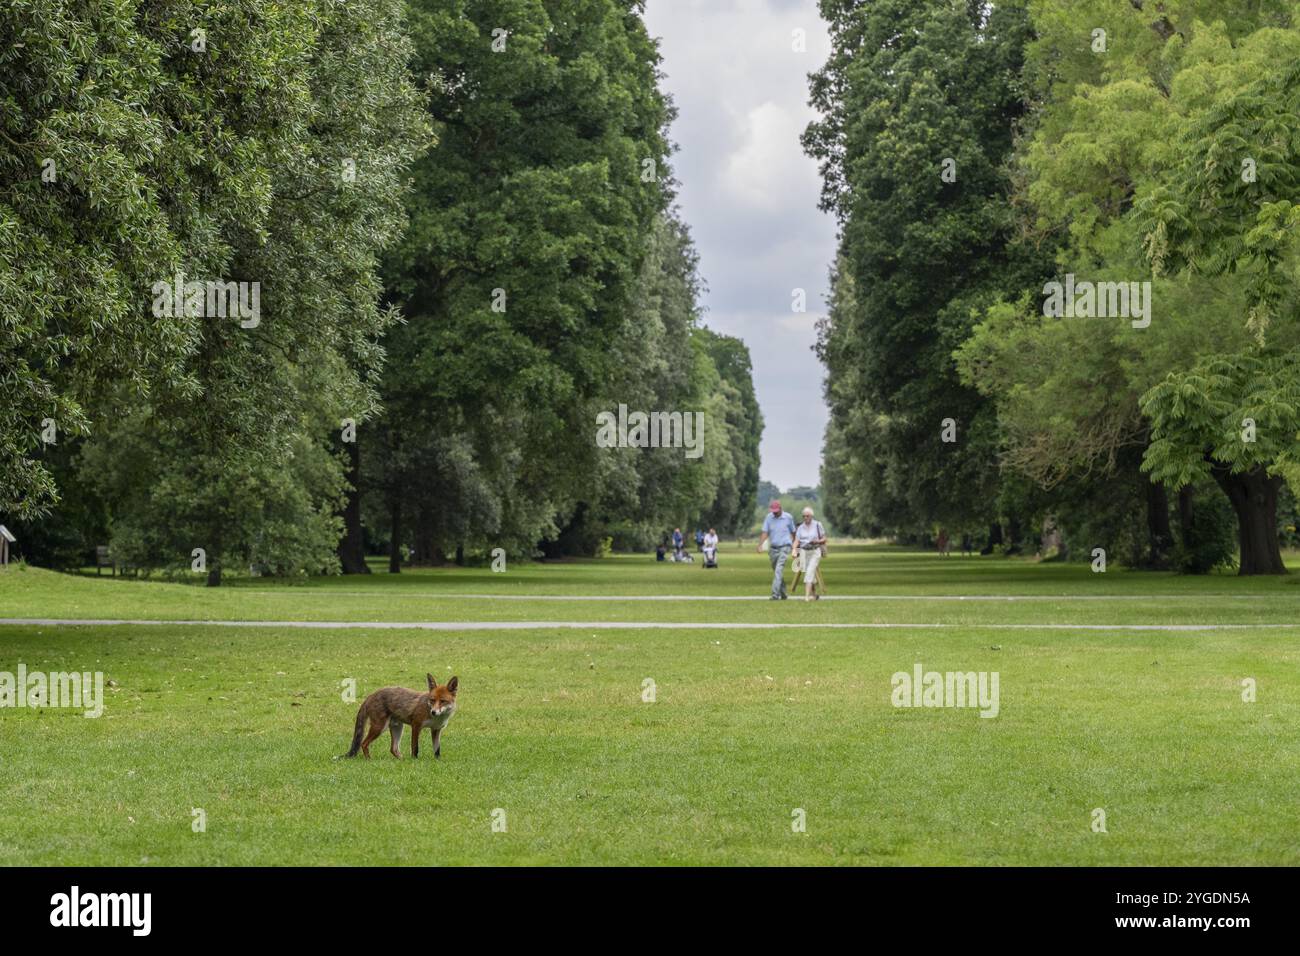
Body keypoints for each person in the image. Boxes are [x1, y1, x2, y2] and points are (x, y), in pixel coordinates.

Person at [757, 499, 796, 600]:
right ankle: (783, 594)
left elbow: (793, 532)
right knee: (777, 572)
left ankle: (775, 594)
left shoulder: (788, 517)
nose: (774, 513)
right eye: (773, 511)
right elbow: (765, 532)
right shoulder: (768, 518)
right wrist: (760, 545)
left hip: (785, 547)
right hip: (773, 549)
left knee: (779, 570)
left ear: (780, 508)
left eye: (776, 511)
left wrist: (795, 547)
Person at [794, 507, 827, 601]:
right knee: (810, 572)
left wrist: (817, 541)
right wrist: (794, 549)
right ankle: (814, 595)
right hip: (804, 551)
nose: (805, 518)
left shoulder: (817, 525)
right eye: (804, 516)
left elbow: (824, 538)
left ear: (811, 516)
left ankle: (806, 597)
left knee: (809, 572)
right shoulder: (800, 527)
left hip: (815, 551)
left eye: (807, 516)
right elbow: (797, 540)